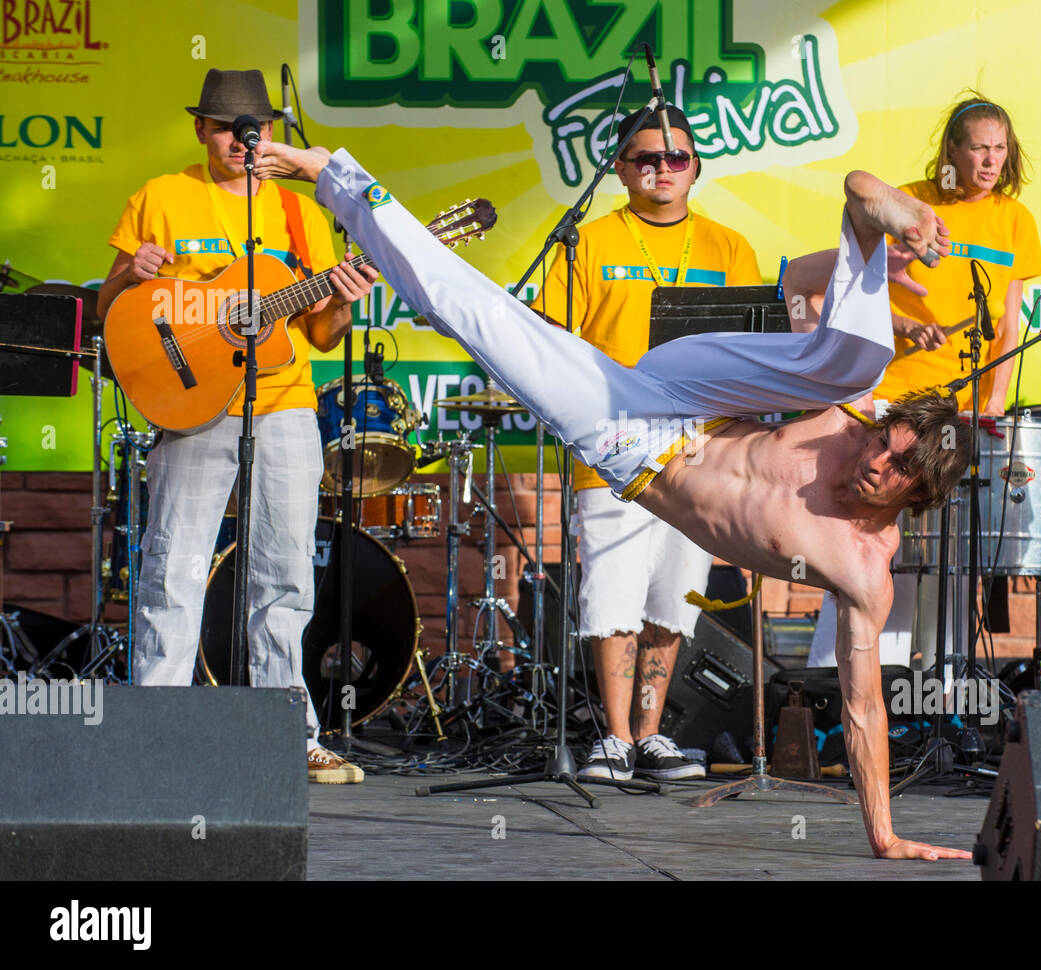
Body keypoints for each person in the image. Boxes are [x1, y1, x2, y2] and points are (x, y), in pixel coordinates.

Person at [251, 138, 973, 860]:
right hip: (699, 392)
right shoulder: (850, 423)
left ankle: (332, 173)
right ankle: (871, 220)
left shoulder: (863, 570)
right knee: (856, 365)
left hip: (630, 433)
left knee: (480, 318)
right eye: (886, 439)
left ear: (921, 494)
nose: (875, 456)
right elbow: (816, 278)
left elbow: (864, 705)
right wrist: (869, 216)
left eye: (896, 465)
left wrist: (883, 833)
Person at [95, 69, 378, 782]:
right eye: (226, 126)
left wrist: (344, 297)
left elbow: (321, 334)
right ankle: (151, 729)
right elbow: (111, 309)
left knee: (284, 576)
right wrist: (133, 273)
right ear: (200, 129)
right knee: (172, 566)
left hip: (282, 405)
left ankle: (287, 731)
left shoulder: (296, 213)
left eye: (254, 128)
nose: (241, 140)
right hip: (190, 404)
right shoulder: (161, 195)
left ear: (273, 133)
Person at [530, 107, 762, 782]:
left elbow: (752, 349)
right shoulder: (589, 241)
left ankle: (654, 734)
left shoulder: (728, 246)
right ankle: (617, 737)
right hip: (614, 450)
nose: (662, 170)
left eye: (677, 158)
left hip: (697, 454)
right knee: (613, 598)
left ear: (696, 167)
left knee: (673, 599)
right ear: (620, 169)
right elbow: (554, 349)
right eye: (644, 159)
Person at [793, 94, 1041, 670]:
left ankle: (939, 688)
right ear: (950, 151)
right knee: (865, 542)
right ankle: (836, 679)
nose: (989, 161)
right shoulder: (907, 203)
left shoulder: (1015, 218)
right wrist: (905, 325)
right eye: (978, 147)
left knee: (947, 559)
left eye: (1000, 149)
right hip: (889, 400)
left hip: (957, 415)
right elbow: (858, 287)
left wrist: (995, 401)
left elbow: (1010, 321)